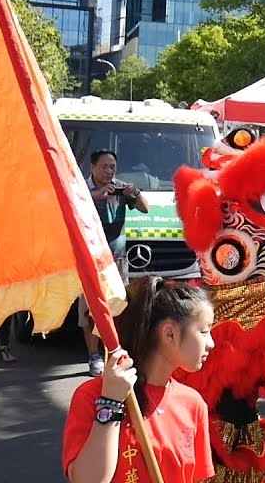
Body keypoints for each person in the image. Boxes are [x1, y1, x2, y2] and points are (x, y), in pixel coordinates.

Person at [62, 277, 215, 483]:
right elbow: (87, 480)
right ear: (169, 334)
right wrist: (111, 403)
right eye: (204, 331)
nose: (211, 343)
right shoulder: (91, 395)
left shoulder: (193, 403)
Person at [82, 150, 150, 377]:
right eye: (104, 166)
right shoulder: (80, 187)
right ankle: (93, 356)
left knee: (119, 306)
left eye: (112, 167)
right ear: (92, 167)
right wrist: (97, 195)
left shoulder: (119, 186)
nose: (109, 171)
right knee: (90, 309)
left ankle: (114, 352)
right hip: (90, 259)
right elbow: (71, 206)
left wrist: (136, 193)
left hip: (117, 259)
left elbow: (145, 207)